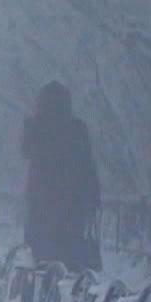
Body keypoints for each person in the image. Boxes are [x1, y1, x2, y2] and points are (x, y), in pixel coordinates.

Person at [20, 81, 102, 272]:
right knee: (70, 252)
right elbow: (87, 166)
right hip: (72, 201)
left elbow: (27, 152)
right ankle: (67, 290)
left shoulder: (37, 128)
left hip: (42, 202)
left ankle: (43, 288)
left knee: (41, 251)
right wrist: (92, 196)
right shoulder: (76, 129)